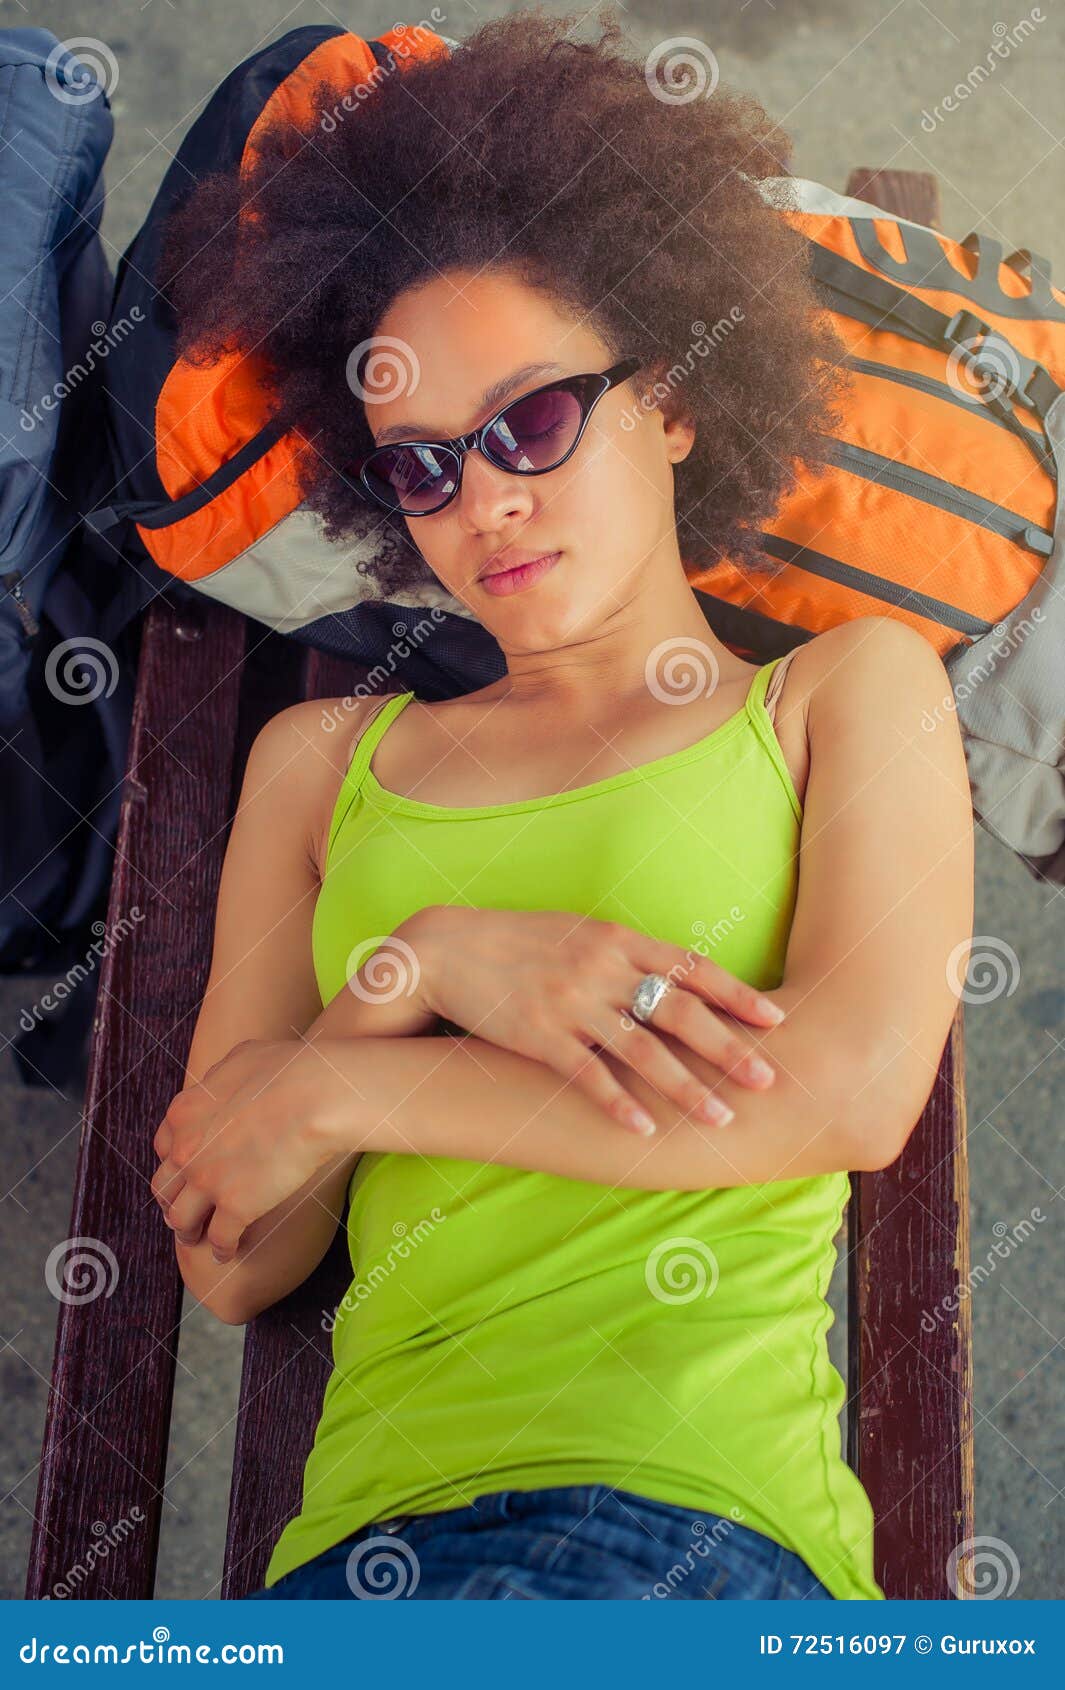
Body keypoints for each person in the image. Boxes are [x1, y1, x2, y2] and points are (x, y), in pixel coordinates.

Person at [149, 9, 973, 1600]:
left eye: (530, 421)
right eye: (423, 465)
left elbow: (843, 1092)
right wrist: (417, 974)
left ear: (666, 399)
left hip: (680, 1529)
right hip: (348, 1566)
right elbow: (229, 1254)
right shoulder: (318, 766)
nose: (488, 503)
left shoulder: (842, 692)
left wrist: (342, 1089)